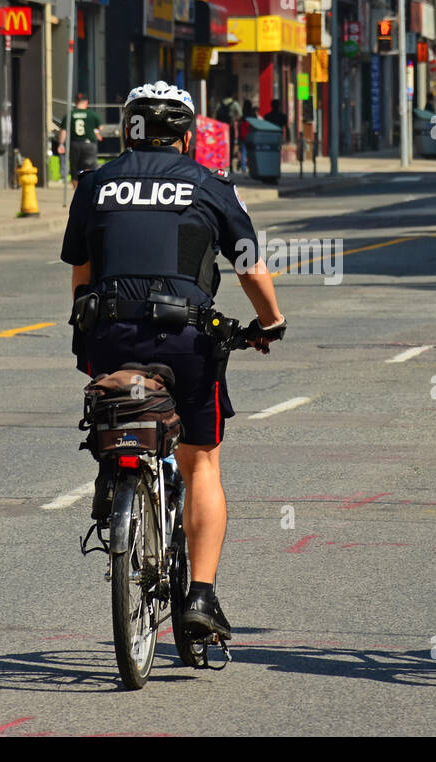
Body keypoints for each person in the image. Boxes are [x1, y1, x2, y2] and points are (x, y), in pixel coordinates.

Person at [61, 81, 286, 642]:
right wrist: (271, 321)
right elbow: (249, 266)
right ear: (186, 136)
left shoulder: (95, 184)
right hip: (186, 339)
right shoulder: (208, 186)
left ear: (127, 128)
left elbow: (82, 273)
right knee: (201, 461)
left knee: (118, 406)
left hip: (110, 336)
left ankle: (117, 480)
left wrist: (88, 333)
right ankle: (202, 597)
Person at [55, 91, 102, 192]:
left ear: (76, 102)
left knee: (75, 168)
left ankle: (76, 191)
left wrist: (61, 144)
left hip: (74, 144)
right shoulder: (92, 114)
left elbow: (63, 131)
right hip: (89, 144)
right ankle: (89, 189)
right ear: (86, 102)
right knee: (89, 167)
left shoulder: (70, 115)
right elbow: (100, 127)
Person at [214, 93, 242, 171]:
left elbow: (215, 114)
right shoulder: (235, 103)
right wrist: (234, 119)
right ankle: (230, 165)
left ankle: (221, 165)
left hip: (221, 128)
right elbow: (240, 114)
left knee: (221, 146)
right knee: (231, 146)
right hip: (230, 127)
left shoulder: (220, 103)